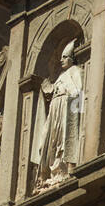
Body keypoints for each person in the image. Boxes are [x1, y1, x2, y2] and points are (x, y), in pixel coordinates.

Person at [31, 41, 85, 188]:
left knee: (63, 138)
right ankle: (51, 172)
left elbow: (78, 91)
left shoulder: (76, 71)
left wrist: (74, 113)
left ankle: (62, 170)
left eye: (65, 57)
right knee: (49, 139)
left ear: (72, 59)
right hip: (55, 108)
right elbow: (53, 90)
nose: (61, 60)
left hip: (66, 108)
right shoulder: (62, 75)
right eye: (61, 57)